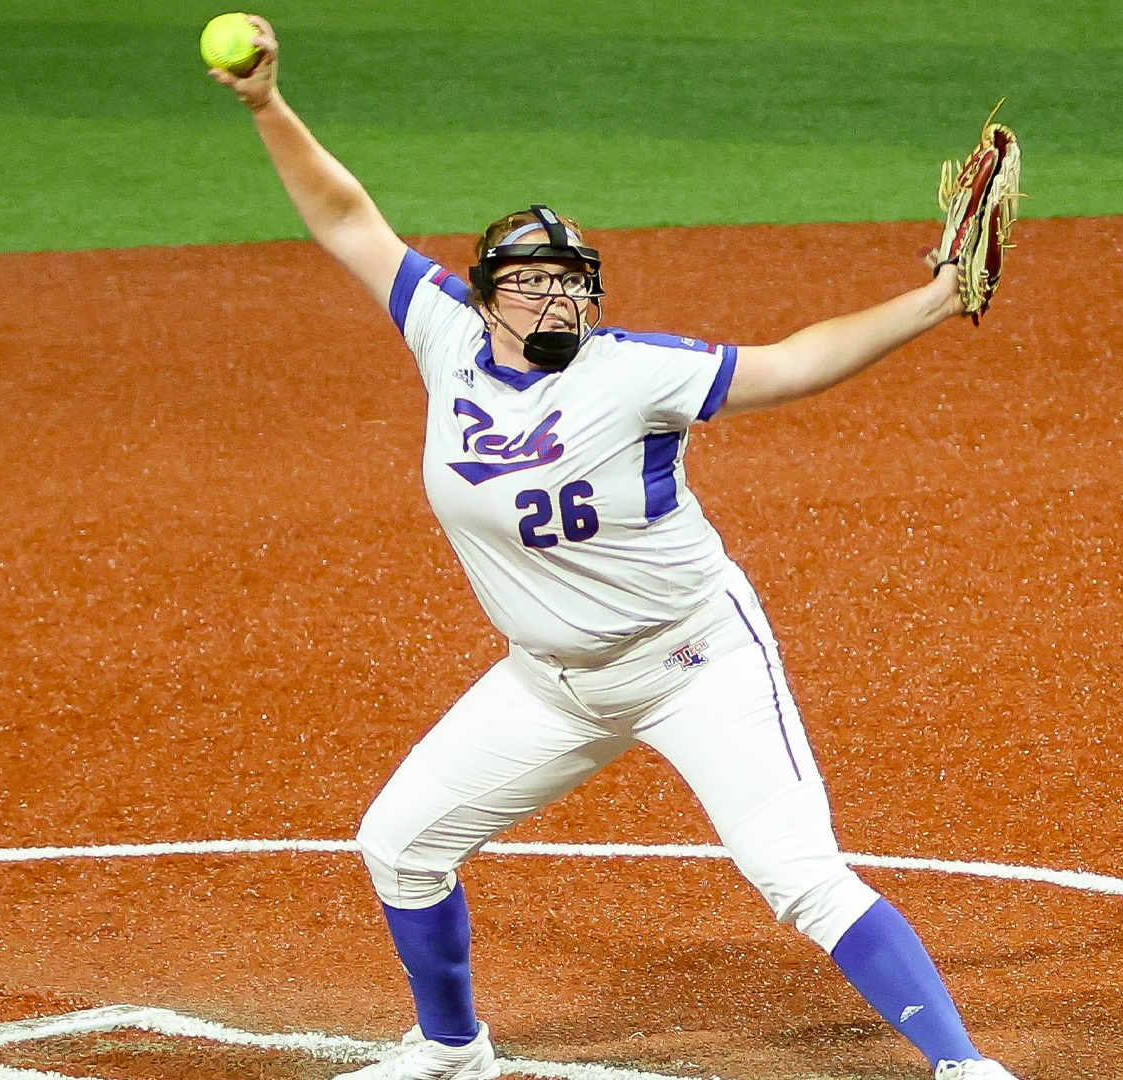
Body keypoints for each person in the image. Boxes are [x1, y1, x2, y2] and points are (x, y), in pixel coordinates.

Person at [210, 17, 1020, 1080]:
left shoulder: (635, 371)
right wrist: (267, 105)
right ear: (485, 293)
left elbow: (788, 366)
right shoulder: (441, 333)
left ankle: (965, 1069)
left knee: (798, 876)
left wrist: (930, 300)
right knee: (402, 845)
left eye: (573, 278)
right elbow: (346, 218)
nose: (560, 296)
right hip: (549, 685)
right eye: (535, 280)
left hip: (694, 661)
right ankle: (453, 1048)